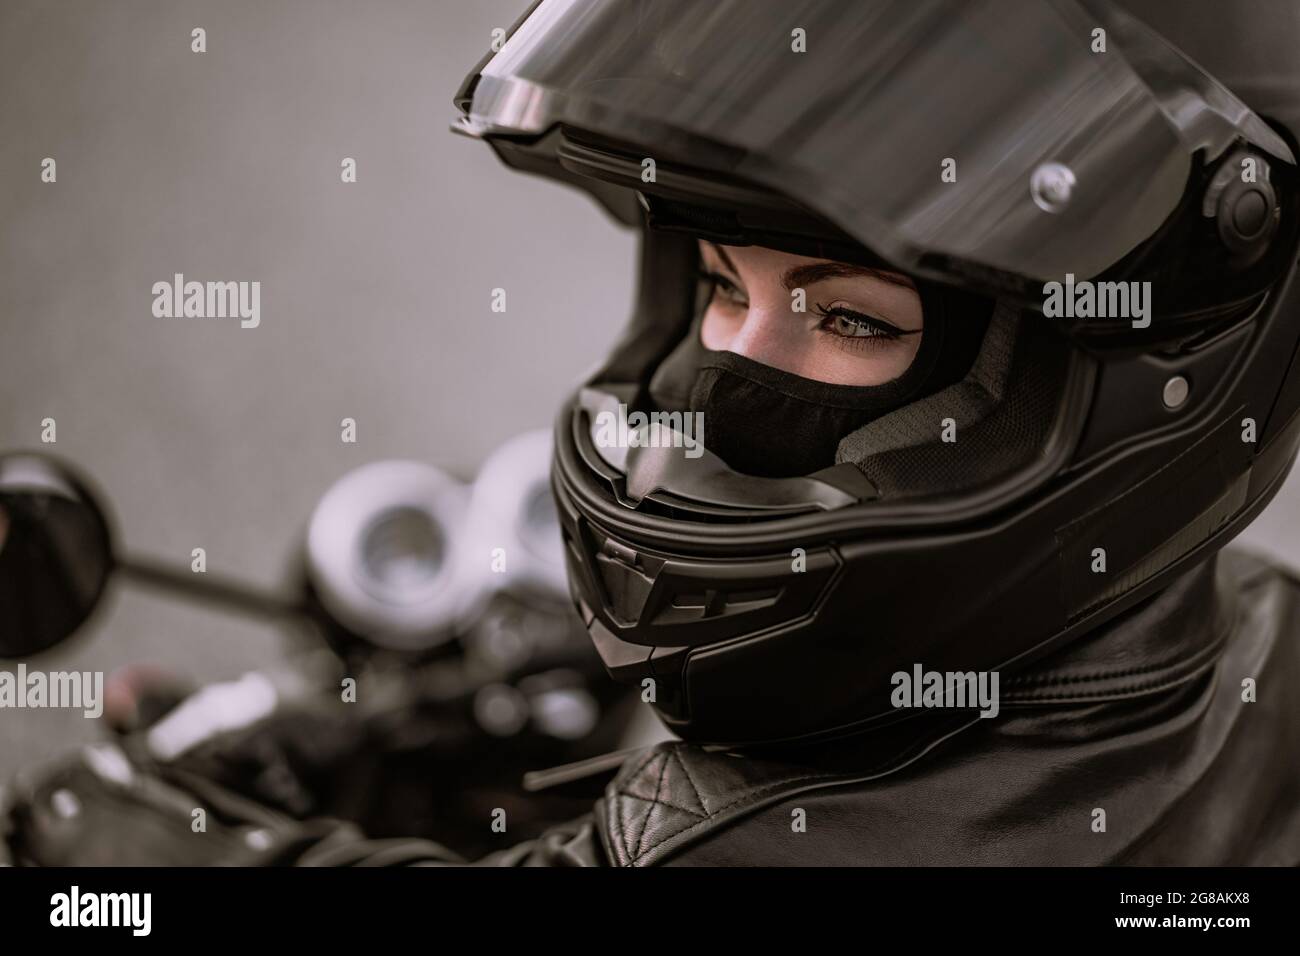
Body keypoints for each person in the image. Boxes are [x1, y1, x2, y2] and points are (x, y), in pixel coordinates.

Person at [6, 0, 1300, 866]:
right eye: (723, 290)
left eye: (850, 321)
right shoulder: (1257, 637)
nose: (730, 381)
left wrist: (124, 843)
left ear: (1112, 373)